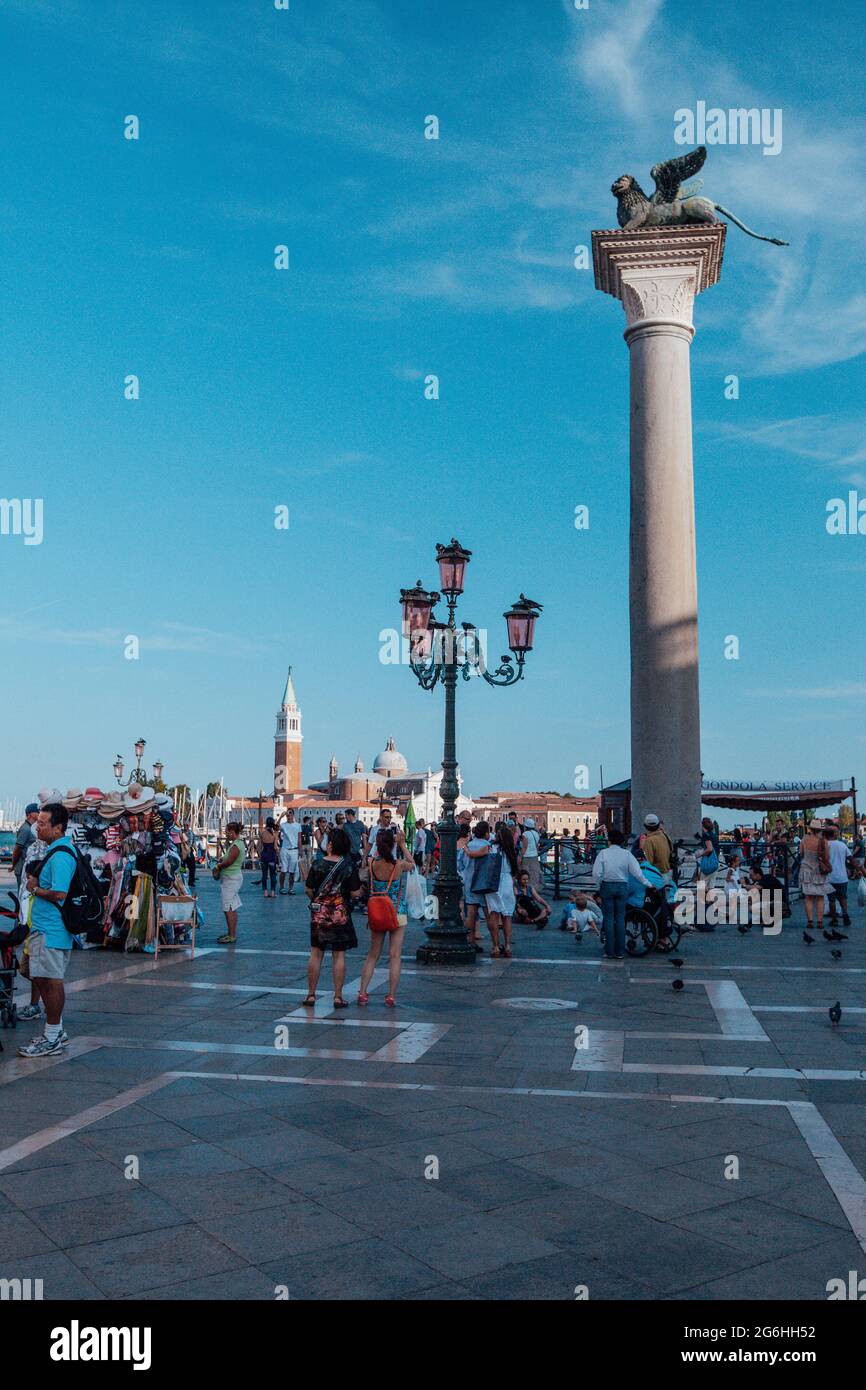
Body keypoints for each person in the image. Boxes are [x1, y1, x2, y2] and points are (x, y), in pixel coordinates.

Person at [17, 803, 76, 1058]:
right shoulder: (56, 850)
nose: (37, 827)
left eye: (43, 823)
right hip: (45, 928)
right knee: (41, 977)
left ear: (58, 827)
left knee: (51, 981)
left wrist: (35, 889)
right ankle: (56, 1030)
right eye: (37, 822)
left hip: (52, 929)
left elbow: (60, 893)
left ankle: (52, 1036)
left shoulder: (62, 856)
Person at [302, 826, 361, 1009]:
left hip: (319, 914)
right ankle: (337, 996)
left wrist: (319, 901)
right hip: (340, 914)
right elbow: (355, 893)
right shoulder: (348, 866)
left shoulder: (318, 864)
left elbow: (308, 889)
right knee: (339, 955)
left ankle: (311, 994)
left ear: (330, 846)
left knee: (316, 953)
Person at [357, 828, 414, 1007]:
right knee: (395, 955)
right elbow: (413, 863)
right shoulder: (398, 865)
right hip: (398, 911)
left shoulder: (372, 862)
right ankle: (390, 995)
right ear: (392, 845)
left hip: (378, 910)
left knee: (373, 954)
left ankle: (363, 993)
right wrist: (403, 845)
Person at [593, 827, 650, 961]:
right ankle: (619, 951)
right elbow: (637, 873)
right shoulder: (627, 854)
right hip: (622, 886)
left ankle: (609, 951)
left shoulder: (603, 853)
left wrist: (598, 885)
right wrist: (648, 883)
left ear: (609, 841)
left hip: (607, 885)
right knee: (620, 918)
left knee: (608, 918)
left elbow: (596, 873)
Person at [482, 822, 519, 957]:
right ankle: (508, 946)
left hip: (494, 882)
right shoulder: (511, 851)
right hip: (507, 882)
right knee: (507, 915)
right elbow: (515, 871)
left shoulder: (492, 848)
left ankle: (496, 946)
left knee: (494, 913)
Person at [462, 821, 492, 951]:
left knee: (471, 913)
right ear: (486, 833)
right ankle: (495, 943)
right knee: (488, 913)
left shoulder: (468, 845)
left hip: (469, 880)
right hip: (484, 881)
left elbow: (462, 863)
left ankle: (470, 941)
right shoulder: (487, 845)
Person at [214, 821, 245, 944]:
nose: (226, 834)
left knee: (228, 907)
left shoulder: (236, 845)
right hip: (232, 878)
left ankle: (232, 935)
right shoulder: (237, 844)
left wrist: (219, 866)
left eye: (228, 832)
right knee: (232, 906)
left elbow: (230, 861)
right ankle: (231, 933)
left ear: (233, 832)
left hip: (231, 879)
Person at [798, 820, 831, 931]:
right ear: (820, 829)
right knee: (820, 896)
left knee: (808, 897)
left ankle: (810, 921)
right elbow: (827, 857)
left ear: (810, 829)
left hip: (806, 869)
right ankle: (820, 921)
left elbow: (801, 854)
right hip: (818, 870)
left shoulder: (804, 840)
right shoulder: (823, 842)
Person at [824, 825, 852, 930]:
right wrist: (858, 869)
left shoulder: (825, 845)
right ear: (834, 835)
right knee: (843, 898)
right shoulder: (842, 845)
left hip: (829, 877)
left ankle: (834, 920)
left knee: (831, 900)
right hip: (842, 877)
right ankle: (845, 915)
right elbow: (850, 859)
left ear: (826, 835)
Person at [11, 802, 39, 890]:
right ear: (30, 814)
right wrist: (13, 865)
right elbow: (17, 849)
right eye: (37, 811)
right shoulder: (26, 829)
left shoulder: (32, 828)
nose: (39, 813)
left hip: (28, 867)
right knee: (23, 893)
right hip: (22, 866)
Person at [641, 813, 674, 883]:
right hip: (667, 873)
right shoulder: (665, 835)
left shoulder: (649, 841)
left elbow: (648, 862)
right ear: (658, 825)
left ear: (645, 826)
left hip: (656, 875)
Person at [278, 809, 300, 894]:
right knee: (283, 870)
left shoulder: (298, 825)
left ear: (293, 814)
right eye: (288, 813)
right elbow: (276, 827)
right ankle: (282, 887)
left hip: (294, 850)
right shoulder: (283, 825)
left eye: (290, 813)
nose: (289, 815)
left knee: (292, 871)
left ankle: (291, 888)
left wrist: (300, 850)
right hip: (285, 850)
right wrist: (281, 816)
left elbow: (299, 839)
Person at [518, 816, 542, 889]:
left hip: (526, 857)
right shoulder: (536, 834)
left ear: (526, 826)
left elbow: (525, 847)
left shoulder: (525, 834)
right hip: (534, 856)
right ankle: (534, 890)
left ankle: (526, 891)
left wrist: (520, 857)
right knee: (534, 875)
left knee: (525, 874)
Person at [259, 816, 278, 898]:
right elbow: (275, 847)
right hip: (271, 856)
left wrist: (260, 854)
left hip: (264, 855)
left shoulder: (262, 833)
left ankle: (265, 893)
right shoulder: (275, 834)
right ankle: (273, 892)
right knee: (273, 875)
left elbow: (259, 846)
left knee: (264, 874)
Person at [697, 816, 720, 881]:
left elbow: (710, 849)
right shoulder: (713, 835)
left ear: (703, 825)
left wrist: (700, 855)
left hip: (708, 863)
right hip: (715, 863)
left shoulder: (706, 835)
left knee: (701, 888)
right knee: (711, 888)